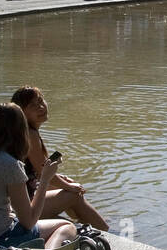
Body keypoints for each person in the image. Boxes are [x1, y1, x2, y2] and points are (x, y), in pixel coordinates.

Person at [0, 102, 79, 250]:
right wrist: (46, 178)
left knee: (16, 216)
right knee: (67, 227)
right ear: (21, 130)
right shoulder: (9, 164)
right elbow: (29, 221)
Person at [10, 86, 110, 230]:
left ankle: (86, 219)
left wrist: (64, 182)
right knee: (73, 194)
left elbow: (38, 174)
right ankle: (104, 230)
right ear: (21, 113)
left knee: (68, 184)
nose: (41, 107)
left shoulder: (25, 131)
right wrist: (69, 187)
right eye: (33, 105)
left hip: (23, 196)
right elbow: (44, 172)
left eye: (41, 101)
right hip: (22, 208)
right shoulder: (30, 135)